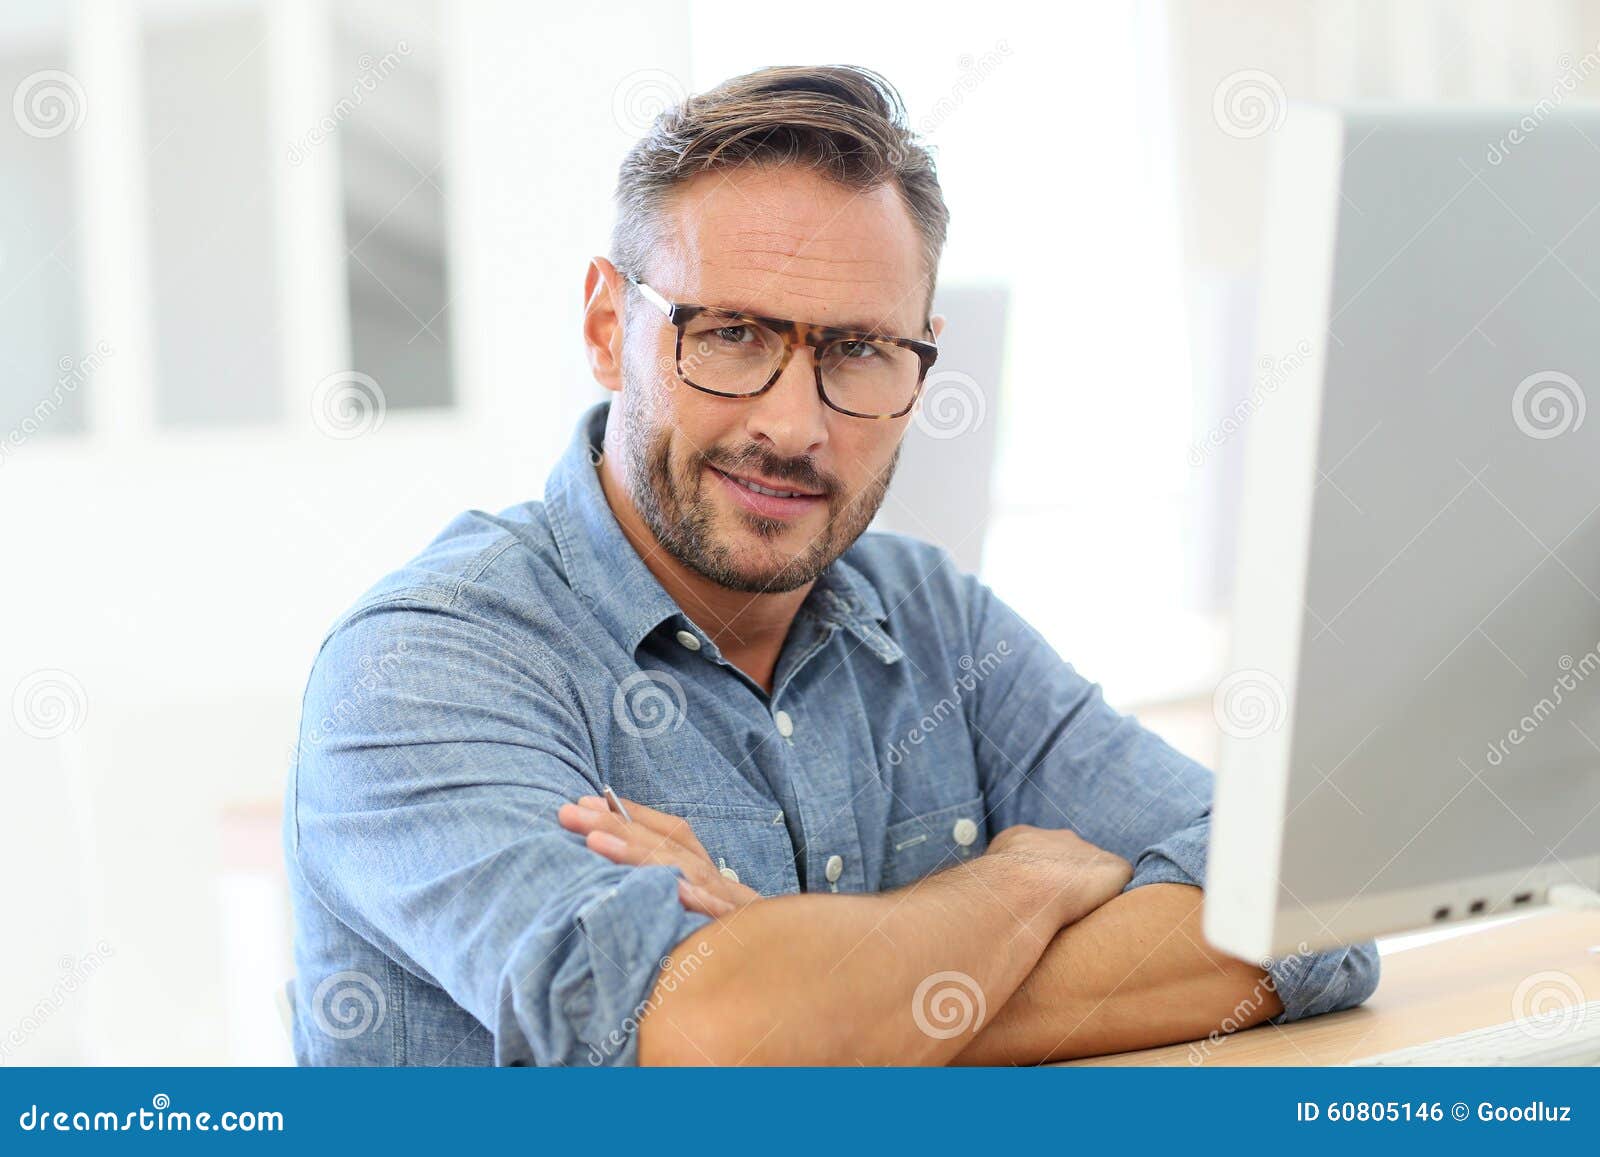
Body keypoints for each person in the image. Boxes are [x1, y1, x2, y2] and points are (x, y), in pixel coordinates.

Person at [284, 64, 1378, 1066]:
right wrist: (1013, 884)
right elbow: (718, 1045)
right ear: (607, 322)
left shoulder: (929, 618)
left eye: (858, 350)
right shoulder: (422, 663)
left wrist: (829, 988)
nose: (794, 422)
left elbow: (1304, 903)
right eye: (730, 334)